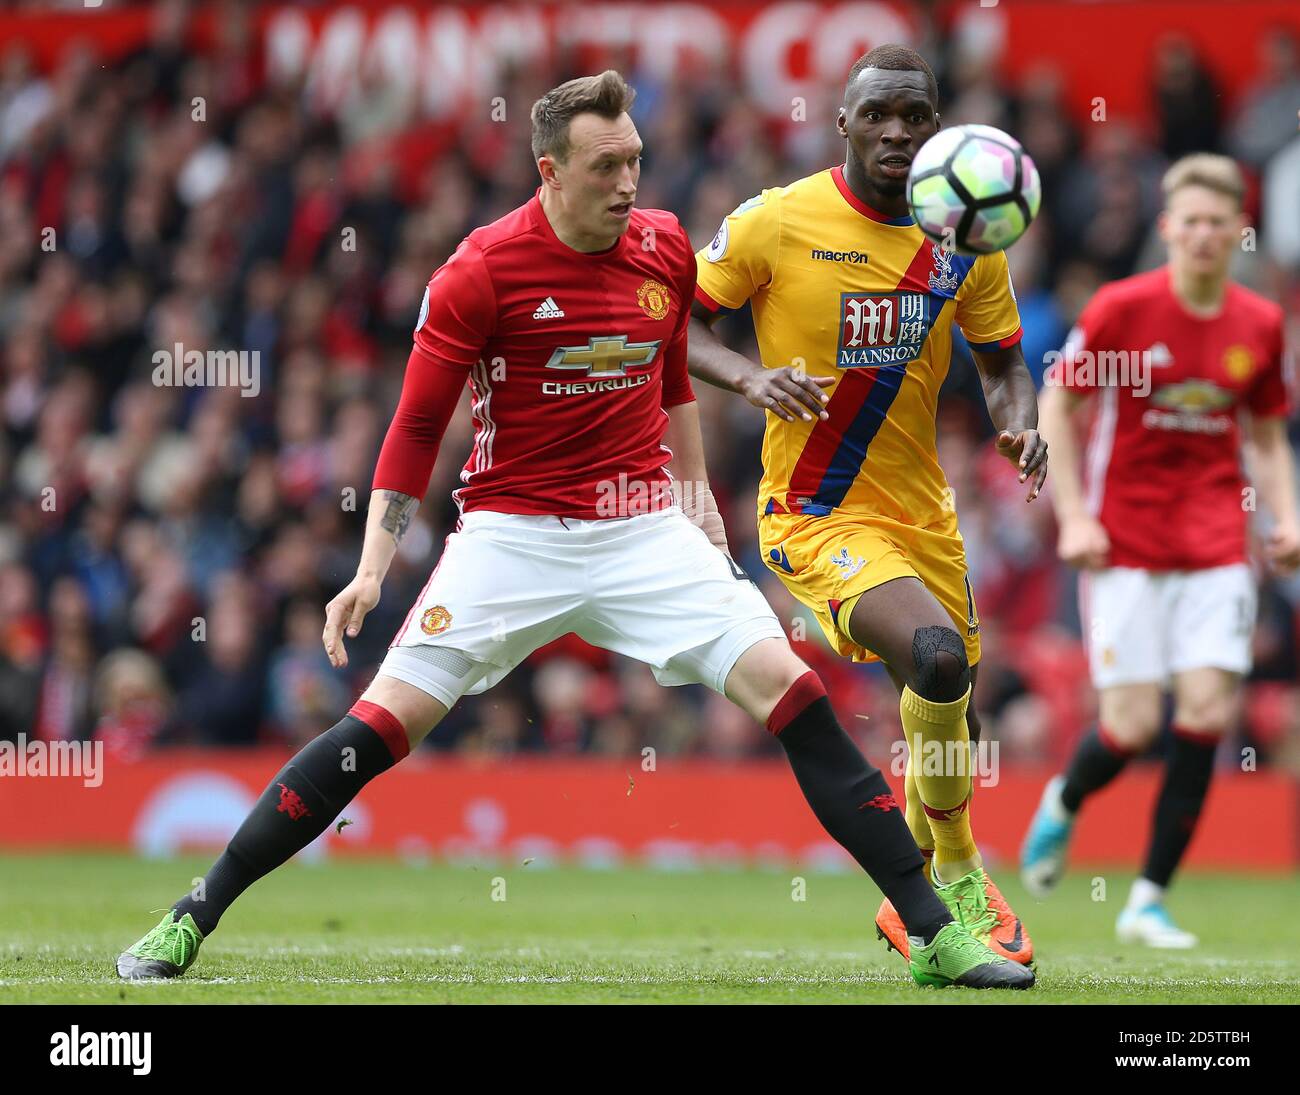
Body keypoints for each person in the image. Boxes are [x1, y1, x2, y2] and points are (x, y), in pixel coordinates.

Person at [116, 70, 1032, 989]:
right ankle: (191, 916)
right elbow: (416, 428)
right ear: (549, 171)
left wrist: (697, 494)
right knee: (376, 732)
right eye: (607, 167)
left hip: (641, 529)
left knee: (796, 699)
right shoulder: (480, 270)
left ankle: (933, 929)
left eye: (635, 160)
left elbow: (673, 371)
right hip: (511, 534)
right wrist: (371, 568)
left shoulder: (665, 244)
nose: (629, 182)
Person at [688, 45, 1046, 966]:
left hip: (922, 514)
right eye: (877, 114)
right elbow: (674, 316)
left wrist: (1019, 423)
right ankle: (962, 876)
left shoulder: (965, 231)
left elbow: (1003, 358)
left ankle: (912, 912)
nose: (895, 131)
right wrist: (749, 377)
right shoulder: (777, 220)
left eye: (913, 116)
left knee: (951, 705)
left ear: (937, 127)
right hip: (814, 509)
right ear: (841, 121)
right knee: (932, 654)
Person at [1021, 152, 1299, 947]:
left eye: (1221, 222)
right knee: (1133, 725)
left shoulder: (1260, 323)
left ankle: (1147, 896)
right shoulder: (1120, 309)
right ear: (1168, 228)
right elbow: (1057, 402)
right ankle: (1064, 802)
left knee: (1208, 710)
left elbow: (1269, 438)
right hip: (1127, 544)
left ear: (1239, 231)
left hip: (1216, 546)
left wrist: (1287, 513)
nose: (1206, 235)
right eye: (1193, 222)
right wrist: (1073, 517)